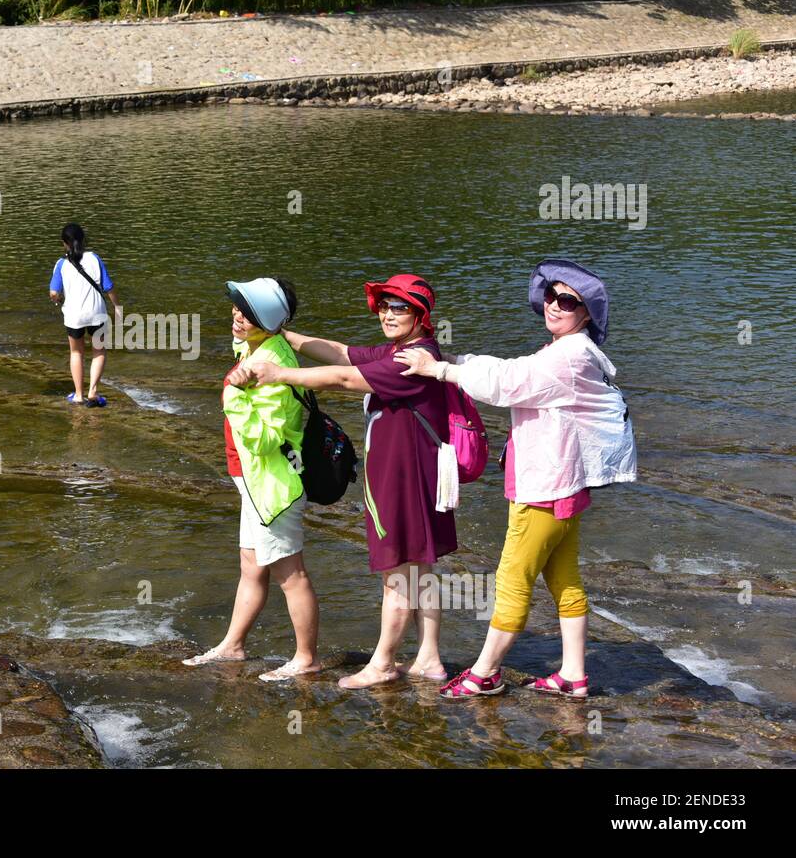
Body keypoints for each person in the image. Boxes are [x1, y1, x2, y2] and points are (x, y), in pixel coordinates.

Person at [395, 260, 636, 700]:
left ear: (587, 314)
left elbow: (508, 384)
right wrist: (456, 358)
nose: (554, 305)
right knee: (564, 580)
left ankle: (485, 673)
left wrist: (441, 371)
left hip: (545, 488)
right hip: (567, 487)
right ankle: (574, 675)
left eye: (568, 301)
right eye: (551, 296)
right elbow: (514, 367)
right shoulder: (567, 350)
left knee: (511, 580)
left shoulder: (569, 356)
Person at [242, 274, 457, 689]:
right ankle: (429, 657)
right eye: (384, 305)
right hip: (423, 473)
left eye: (400, 307)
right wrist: (281, 332)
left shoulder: (408, 361)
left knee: (397, 569)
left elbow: (342, 379)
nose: (388, 313)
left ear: (421, 315)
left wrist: (279, 373)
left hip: (404, 478)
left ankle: (382, 663)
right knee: (421, 565)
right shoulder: (406, 349)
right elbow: (340, 353)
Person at [183, 277, 320, 682]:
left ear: (267, 320)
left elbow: (264, 440)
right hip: (253, 483)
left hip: (275, 486)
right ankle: (233, 645)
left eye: (246, 311)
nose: (236, 315)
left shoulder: (272, 368)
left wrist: (234, 397)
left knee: (289, 573)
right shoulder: (255, 347)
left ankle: (306, 658)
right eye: (236, 307)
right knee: (250, 565)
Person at [48, 223, 119, 406]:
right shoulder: (94, 258)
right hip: (97, 313)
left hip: (74, 316)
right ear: (83, 239)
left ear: (64, 243)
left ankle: (79, 395)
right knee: (99, 351)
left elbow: (54, 292)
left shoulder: (61, 264)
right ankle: (93, 392)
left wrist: (58, 299)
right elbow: (108, 287)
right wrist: (117, 306)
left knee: (76, 352)